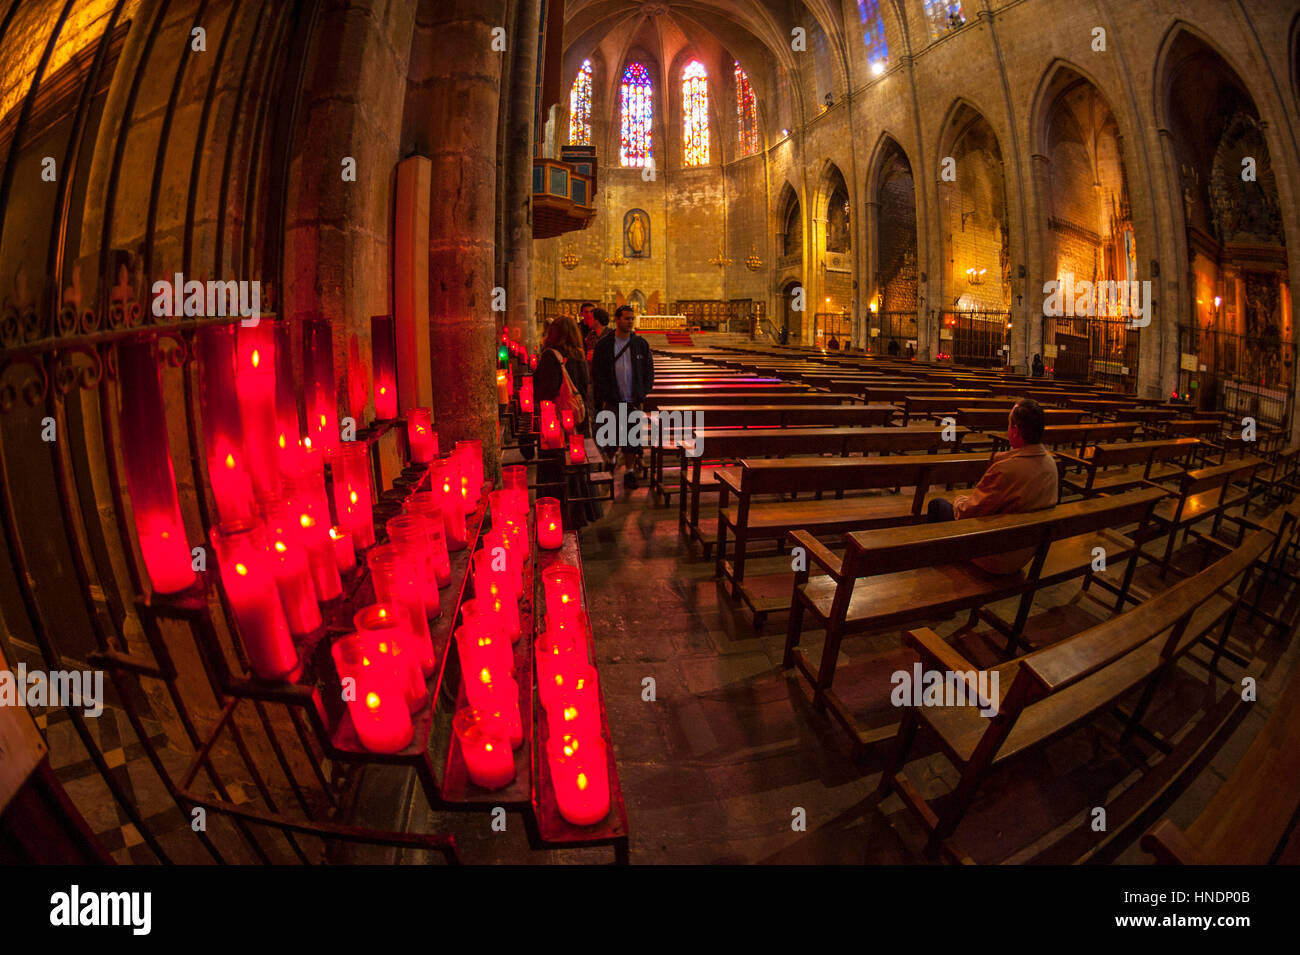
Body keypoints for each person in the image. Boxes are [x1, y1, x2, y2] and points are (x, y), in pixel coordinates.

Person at [926, 399, 1058, 574]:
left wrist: (958, 500)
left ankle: (939, 568)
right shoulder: (1051, 463)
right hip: (1026, 550)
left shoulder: (1007, 468)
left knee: (937, 505)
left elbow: (968, 512)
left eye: (1009, 424)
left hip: (996, 554)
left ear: (1016, 432)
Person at [534, 315, 601, 527]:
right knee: (577, 468)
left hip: (558, 424)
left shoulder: (551, 357)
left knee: (559, 468)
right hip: (578, 418)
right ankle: (581, 512)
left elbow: (545, 393)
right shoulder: (579, 357)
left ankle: (562, 515)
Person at [592, 304, 654, 490]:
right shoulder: (604, 345)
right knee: (611, 435)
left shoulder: (640, 344)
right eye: (627, 318)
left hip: (633, 399)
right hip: (613, 398)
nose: (630, 322)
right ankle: (609, 463)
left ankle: (629, 471)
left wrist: (643, 391)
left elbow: (648, 371)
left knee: (632, 438)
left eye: (632, 319)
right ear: (617, 319)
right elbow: (597, 373)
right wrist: (604, 394)